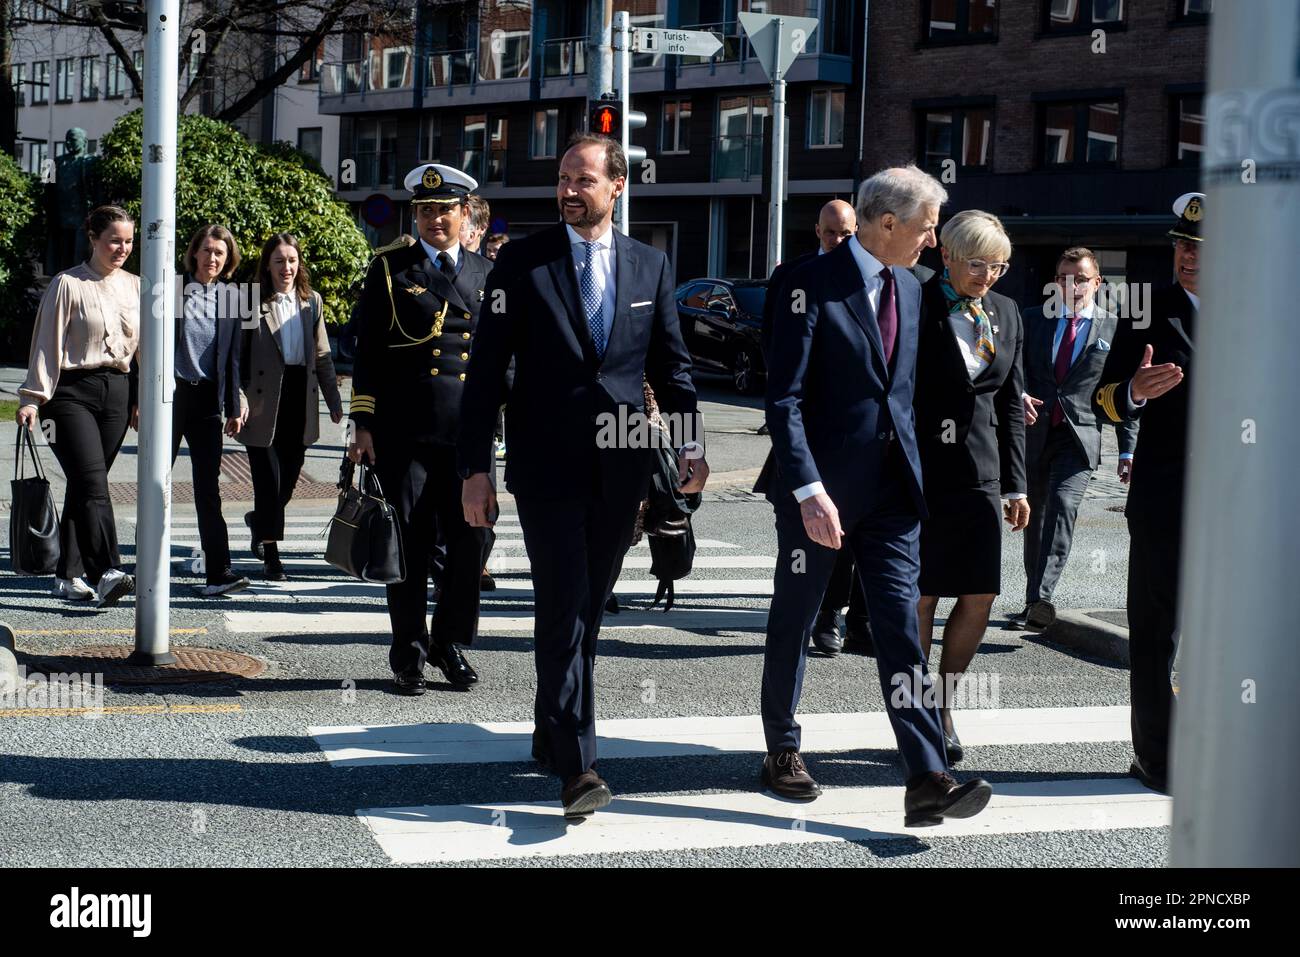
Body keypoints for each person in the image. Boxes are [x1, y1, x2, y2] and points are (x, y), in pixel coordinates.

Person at [459, 133, 707, 819]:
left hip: (621, 467)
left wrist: (691, 446)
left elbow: (672, 369)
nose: (569, 190)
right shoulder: (522, 265)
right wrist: (474, 469)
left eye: (584, 180)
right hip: (544, 467)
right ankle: (579, 765)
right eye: (563, 178)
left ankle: (549, 724)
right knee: (564, 604)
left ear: (617, 186)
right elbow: (484, 376)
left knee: (585, 612)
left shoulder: (650, 266)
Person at [761, 165, 992, 826]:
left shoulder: (917, 290)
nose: (930, 241)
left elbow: (911, 392)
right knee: (797, 617)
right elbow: (785, 399)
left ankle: (925, 773)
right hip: (820, 493)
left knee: (899, 629)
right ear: (886, 223)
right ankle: (781, 746)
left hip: (893, 495)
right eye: (925, 228)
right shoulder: (807, 283)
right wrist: (808, 488)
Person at [348, 163, 496, 695]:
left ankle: (448, 640)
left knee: (472, 542)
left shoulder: (486, 274)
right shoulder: (391, 268)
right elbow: (367, 350)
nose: (436, 219)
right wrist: (362, 422)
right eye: (427, 210)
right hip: (404, 430)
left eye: (445, 210)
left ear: (464, 214)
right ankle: (408, 654)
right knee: (407, 546)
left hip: (467, 434)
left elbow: (503, 360)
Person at [912, 210, 1028, 764]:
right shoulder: (913, 302)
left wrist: (1016, 486)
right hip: (920, 472)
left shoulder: (1006, 312)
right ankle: (914, 716)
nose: (987, 276)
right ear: (947, 257)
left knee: (979, 592)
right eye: (977, 263)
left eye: (998, 266)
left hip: (979, 475)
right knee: (922, 594)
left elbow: (1009, 403)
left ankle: (944, 702)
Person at [1093, 193, 1197, 794]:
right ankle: (1157, 756)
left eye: (1203, 250)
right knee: (1158, 631)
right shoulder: (1146, 310)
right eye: (1182, 246)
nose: (1188, 258)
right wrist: (1133, 391)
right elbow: (1100, 399)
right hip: (1167, 500)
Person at [756, 198, 873, 657]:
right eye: (831, 233)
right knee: (817, 530)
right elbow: (772, 341)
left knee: (862, 530)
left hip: (860, 426)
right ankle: (823, 617)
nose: (839, 241)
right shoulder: (793, 277)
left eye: (847, 234)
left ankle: (858, 620)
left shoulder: (870, 274)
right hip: (810, 422)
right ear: (817, 231)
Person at [15, 204, 138, 608]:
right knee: (93, 483)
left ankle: (68, 576)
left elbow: (144, 351)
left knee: (85, 487)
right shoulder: (68, 284)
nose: (122, 248)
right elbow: (45, 343)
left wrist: (142, 400)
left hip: (117, 392)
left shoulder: (136, 286)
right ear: (94, 239)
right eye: (114, 240)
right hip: (69, 394)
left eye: (128, 241)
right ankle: (107, 571)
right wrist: (33, 397)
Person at [1014, 247, 1138, 630]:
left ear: (1097, 282)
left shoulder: (1114, 328)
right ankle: (1033, 597)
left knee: (1063, 506)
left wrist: (1128, 448)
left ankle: (1041, 598)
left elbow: (1123, 392)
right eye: (1065, 278)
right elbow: (1012, 368)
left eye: (1081, 278)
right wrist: (1018, 395)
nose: (1073, 286)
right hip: (1034, 435)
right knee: (1033, 518)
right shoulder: (1032, 320)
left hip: (1080, 437)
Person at [238, 233, 343, 581]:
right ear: (267, 264)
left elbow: (323, 355)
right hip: (263, 398)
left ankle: (259, 520)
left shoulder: (311, 301)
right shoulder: (252, 301)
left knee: (290, 476)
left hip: (300, 394)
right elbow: (239, 355)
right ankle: (271, 555)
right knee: (268, 480)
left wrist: (334, 402)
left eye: (292, 260)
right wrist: (237, 399)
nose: (287, 267)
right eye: (280, 260)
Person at [173, 225, 250, 597]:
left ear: (228, 258)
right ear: (194, 253)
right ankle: (146, 565)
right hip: (170, 397)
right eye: (206, 250)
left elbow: (235, 358)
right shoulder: (172, 289)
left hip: (207, 401)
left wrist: (234, 406)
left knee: (208, 490)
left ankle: (218, 573)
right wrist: (139, 401)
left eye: (219, 252)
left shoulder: (234, 297)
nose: (212, 258)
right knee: (157, 484)